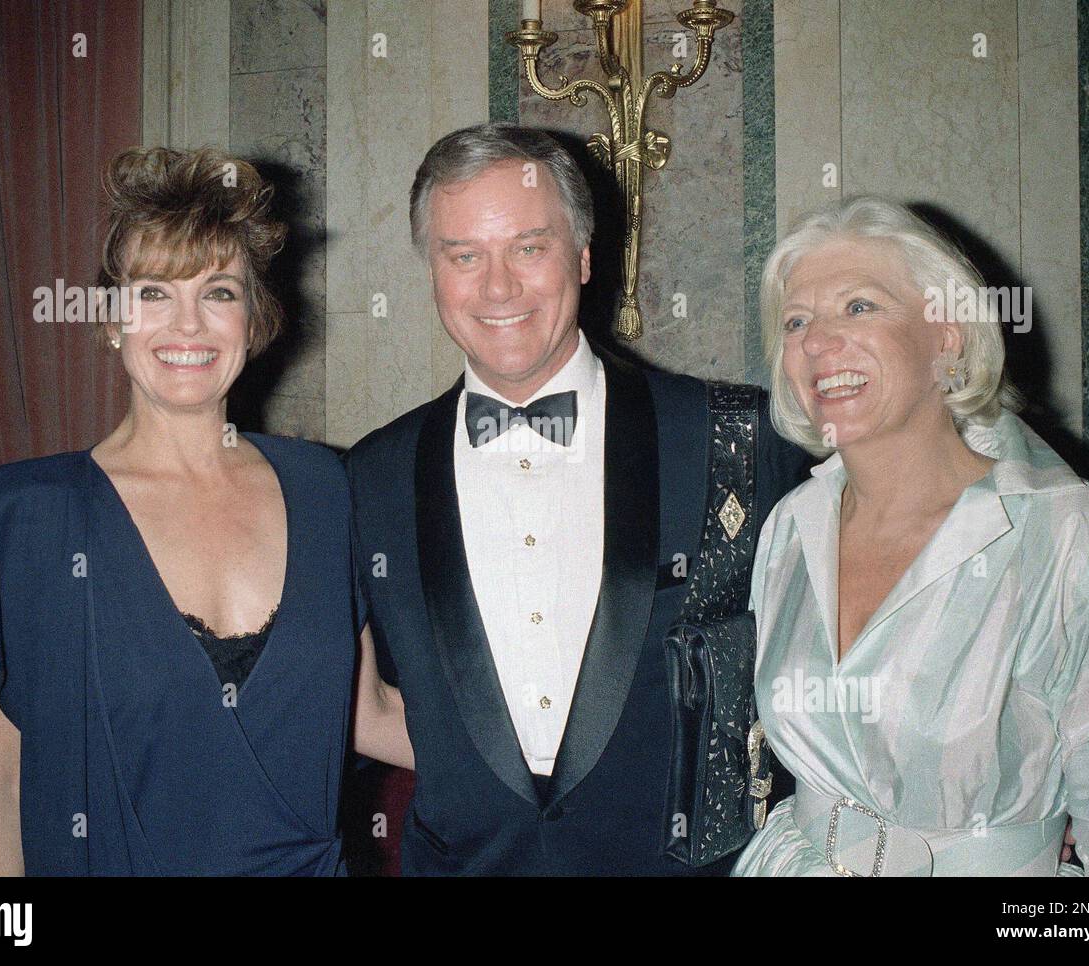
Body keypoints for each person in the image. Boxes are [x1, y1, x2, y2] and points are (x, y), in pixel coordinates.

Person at [346, 123, 812, 875]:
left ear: (586, 256)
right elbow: (354, 705)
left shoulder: (737, 439)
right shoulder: (370, 478)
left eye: (529, 247)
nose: (498, 287)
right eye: (464, 255)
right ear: (430, 270)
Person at [0, 146, 411, 876]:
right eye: (154, 292)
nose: (187, 326)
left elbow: (368, 710)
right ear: (111, 319)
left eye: (219, 292)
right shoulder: (16, 518)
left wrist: (571, 760)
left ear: (253, 320)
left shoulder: (327, 488)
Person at [733, 196, 1089, 876]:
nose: (818, 342)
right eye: (797, 321)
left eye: (860, 307)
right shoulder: (791, 526)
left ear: (947, 335)